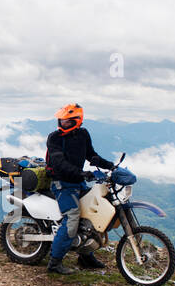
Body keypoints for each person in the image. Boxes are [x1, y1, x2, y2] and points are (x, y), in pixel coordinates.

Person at [44, 103, 121, 275]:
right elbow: (59, 164)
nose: (63, 123)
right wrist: (82, 173)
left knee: (91, 217)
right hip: (61, 183)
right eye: (62, 120)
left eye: (67, 121)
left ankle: (85, 256)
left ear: (77, 121)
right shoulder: (55, 138)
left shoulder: (83, 134)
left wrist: (110, 166)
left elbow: (91, 154)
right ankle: (54, 263)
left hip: (77, 181)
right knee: (72, 217)